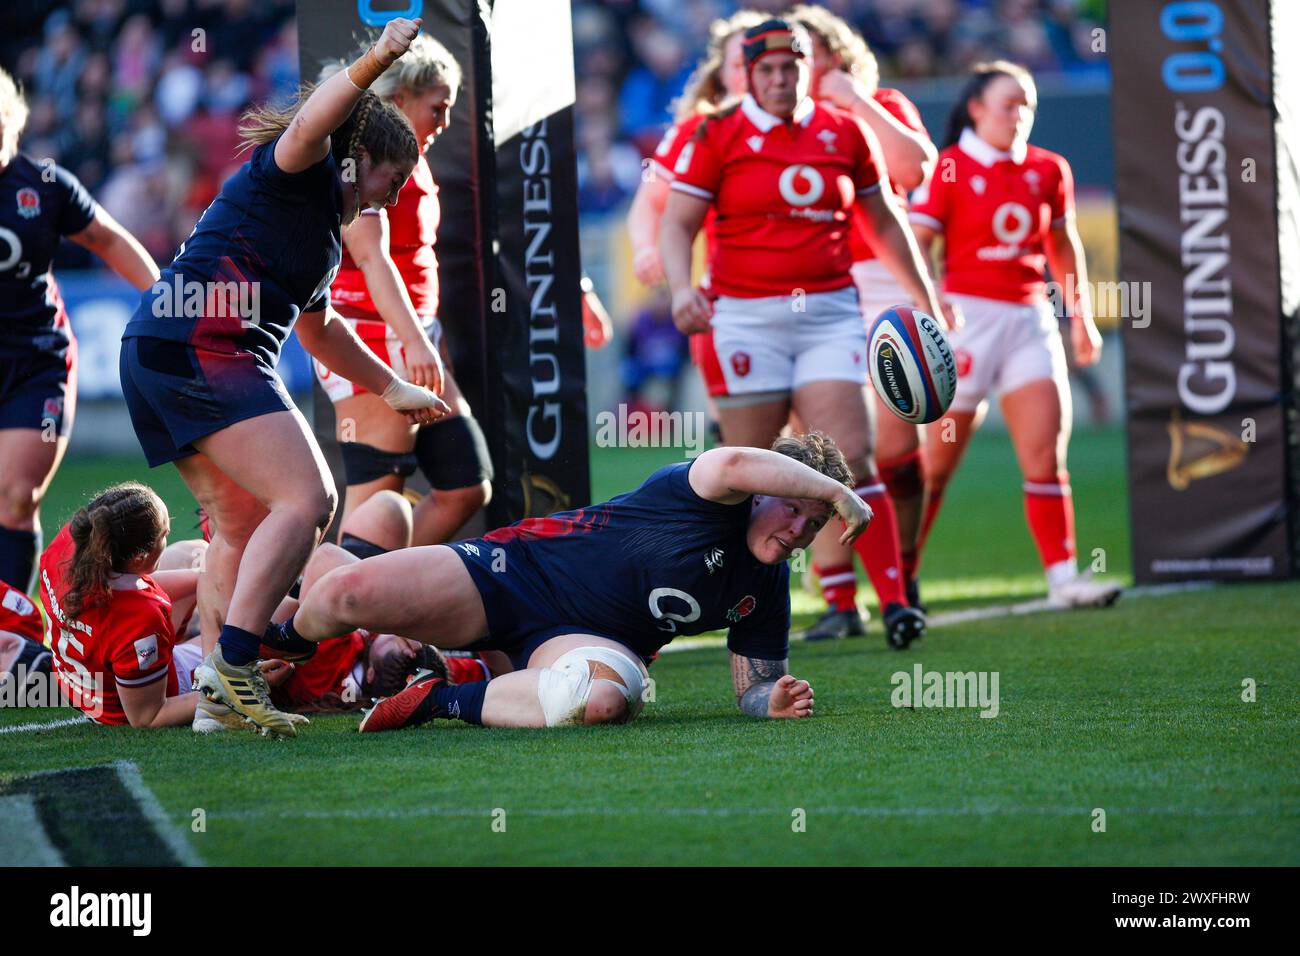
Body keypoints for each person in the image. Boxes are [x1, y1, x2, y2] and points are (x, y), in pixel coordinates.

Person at [117, 17, 449, 738]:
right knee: (310, 495)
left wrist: (391, 388)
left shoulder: (325, 233)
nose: (399, 191)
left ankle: (213, 702)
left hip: (159, 348)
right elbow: (318, 115)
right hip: (201, 345)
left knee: (239, 525)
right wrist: (376, 58)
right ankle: (234, 667)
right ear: (361, 158)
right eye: (397, 173)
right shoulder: (296, 169)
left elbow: (319, 330)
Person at [658, 18, 947, 650]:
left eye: (792, 67)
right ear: (750, 73)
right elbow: (676, 225)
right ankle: (711, 606)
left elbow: (886, 223)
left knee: (851, 454)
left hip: (829, 314)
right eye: (768, 70)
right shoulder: (716, 133)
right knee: (746, 475)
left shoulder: (844, 131)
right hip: (744, 319)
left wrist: (924, 299)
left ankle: (896, 603)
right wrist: (682, 288)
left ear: (808, 68)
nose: (782, 80)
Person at [263, 431, 870, 731]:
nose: (799, 529)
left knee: (600, 702)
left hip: (583, 644)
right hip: (514, 575)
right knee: (341, 596)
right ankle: (274, 644)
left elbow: (752, 687)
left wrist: (772, 702)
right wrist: (839, 493)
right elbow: (736, 461)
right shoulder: (710, 489)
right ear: (765, 491)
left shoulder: (764, 588)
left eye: (815, 524)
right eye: (793, 507)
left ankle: (433, 699)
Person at [907, 61, 1119, 608]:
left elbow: (1062, 245)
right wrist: (932, 301)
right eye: (1009, 103)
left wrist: (1082, 315)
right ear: (976, 109)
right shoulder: (950, 166)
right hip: (966, 325)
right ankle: (899, 581)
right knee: (934, 466)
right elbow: (917, 241)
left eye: (1028, 103)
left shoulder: (1049, 169)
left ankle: (1065, 579)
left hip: (1029, 320)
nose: (1020, 114)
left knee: (1045, 456)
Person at [790, 5, 941, 638]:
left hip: (879, 281)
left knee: (895, 447)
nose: (794, 69)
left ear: (837, 57)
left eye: (808, 55)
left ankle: (900, 576)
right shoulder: (781, 124)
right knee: (814, 447)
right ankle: (840, 600)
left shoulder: (881, 104)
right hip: (810, 286)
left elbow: (914, 169)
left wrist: (855, 99)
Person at [316, 35, 493, 542]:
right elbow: (372, 258)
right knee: (378, 504)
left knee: (466, 484)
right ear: (398, 100)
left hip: (413, 332)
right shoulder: (365, 157)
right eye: (438, 109)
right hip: (370, 335)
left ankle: (383, 598)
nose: (444, 123)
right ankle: (333, 614)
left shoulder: (411, 151)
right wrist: (415, 340)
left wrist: (426, 338)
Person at [0, 66, 159, 593]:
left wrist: (163, 299)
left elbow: (107, 240)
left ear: (12, 126)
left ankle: (15, 631)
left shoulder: (41, 186)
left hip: (34, 359)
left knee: (18, 495)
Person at [38, 482, 198, 728]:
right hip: (132, 704)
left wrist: (202, 577)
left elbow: (120, 598)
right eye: (164, 534)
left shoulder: (72, 540)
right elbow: (147, 717)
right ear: (138, 558)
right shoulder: (141, 616)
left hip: (84, 682)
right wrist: (229, 692)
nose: (168, 536)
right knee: (274, 616)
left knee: (194, 552)